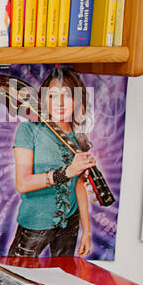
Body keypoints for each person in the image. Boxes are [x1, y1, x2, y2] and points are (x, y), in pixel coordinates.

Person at [7, 67, 97, 258]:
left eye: (68, 95)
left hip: (69, 225)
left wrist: (86, 231)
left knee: (62, 280)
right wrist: (66, 172)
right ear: (43, 100)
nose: (60, 103)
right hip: (35, 224)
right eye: (53, 96)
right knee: (15, 279)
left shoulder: (78, 135)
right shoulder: (29, 130)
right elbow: (23, 184)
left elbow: (79, 184)